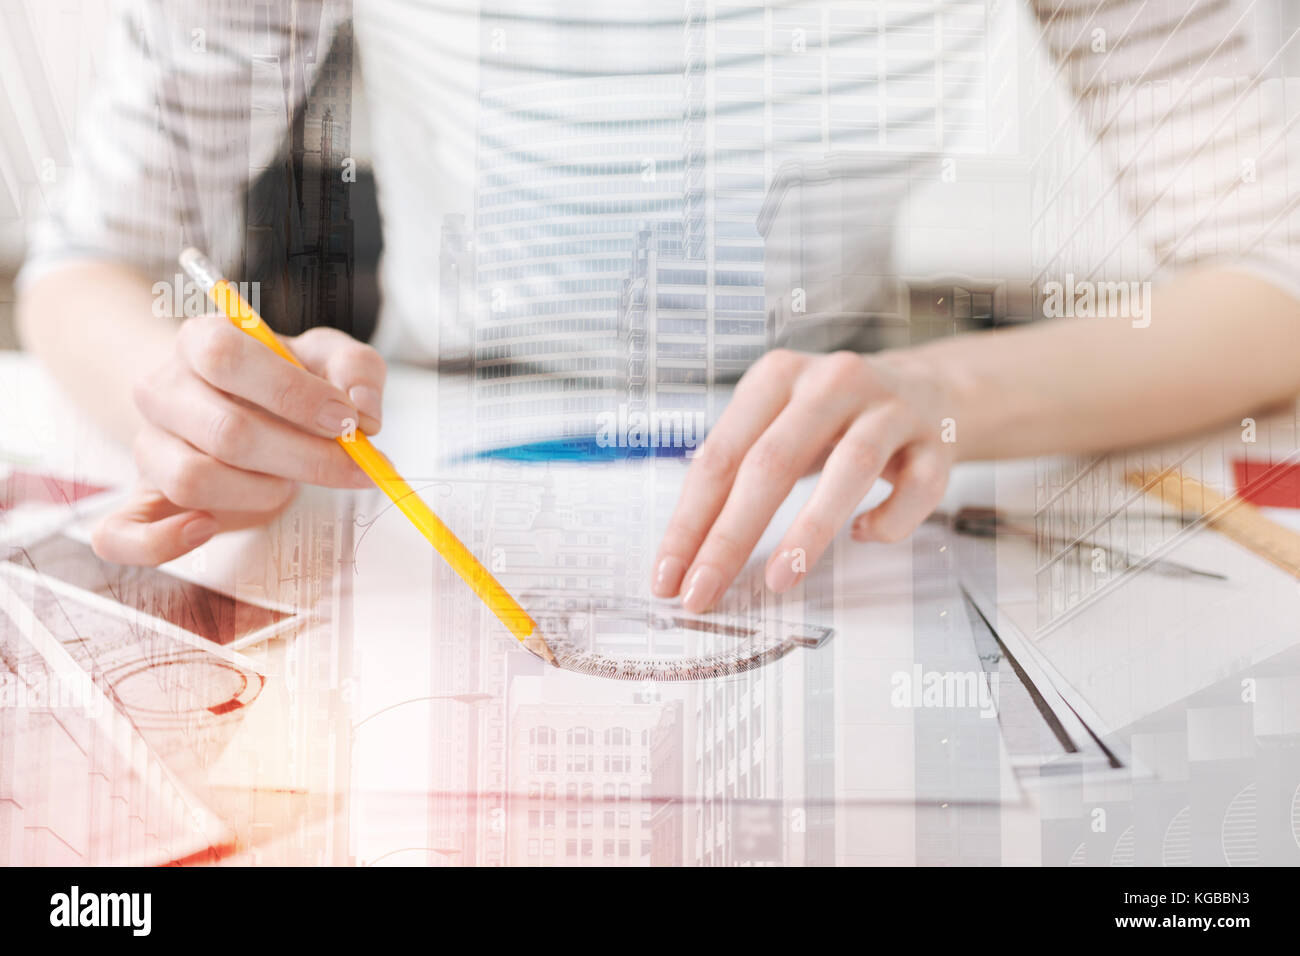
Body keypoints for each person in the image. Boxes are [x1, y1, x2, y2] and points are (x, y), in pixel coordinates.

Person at [16, 0, 1300, 615]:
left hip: (835, 434)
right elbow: (86, 257)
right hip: (434, 435)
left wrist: (947, 392)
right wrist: (185, 398)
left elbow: (1278, 274)